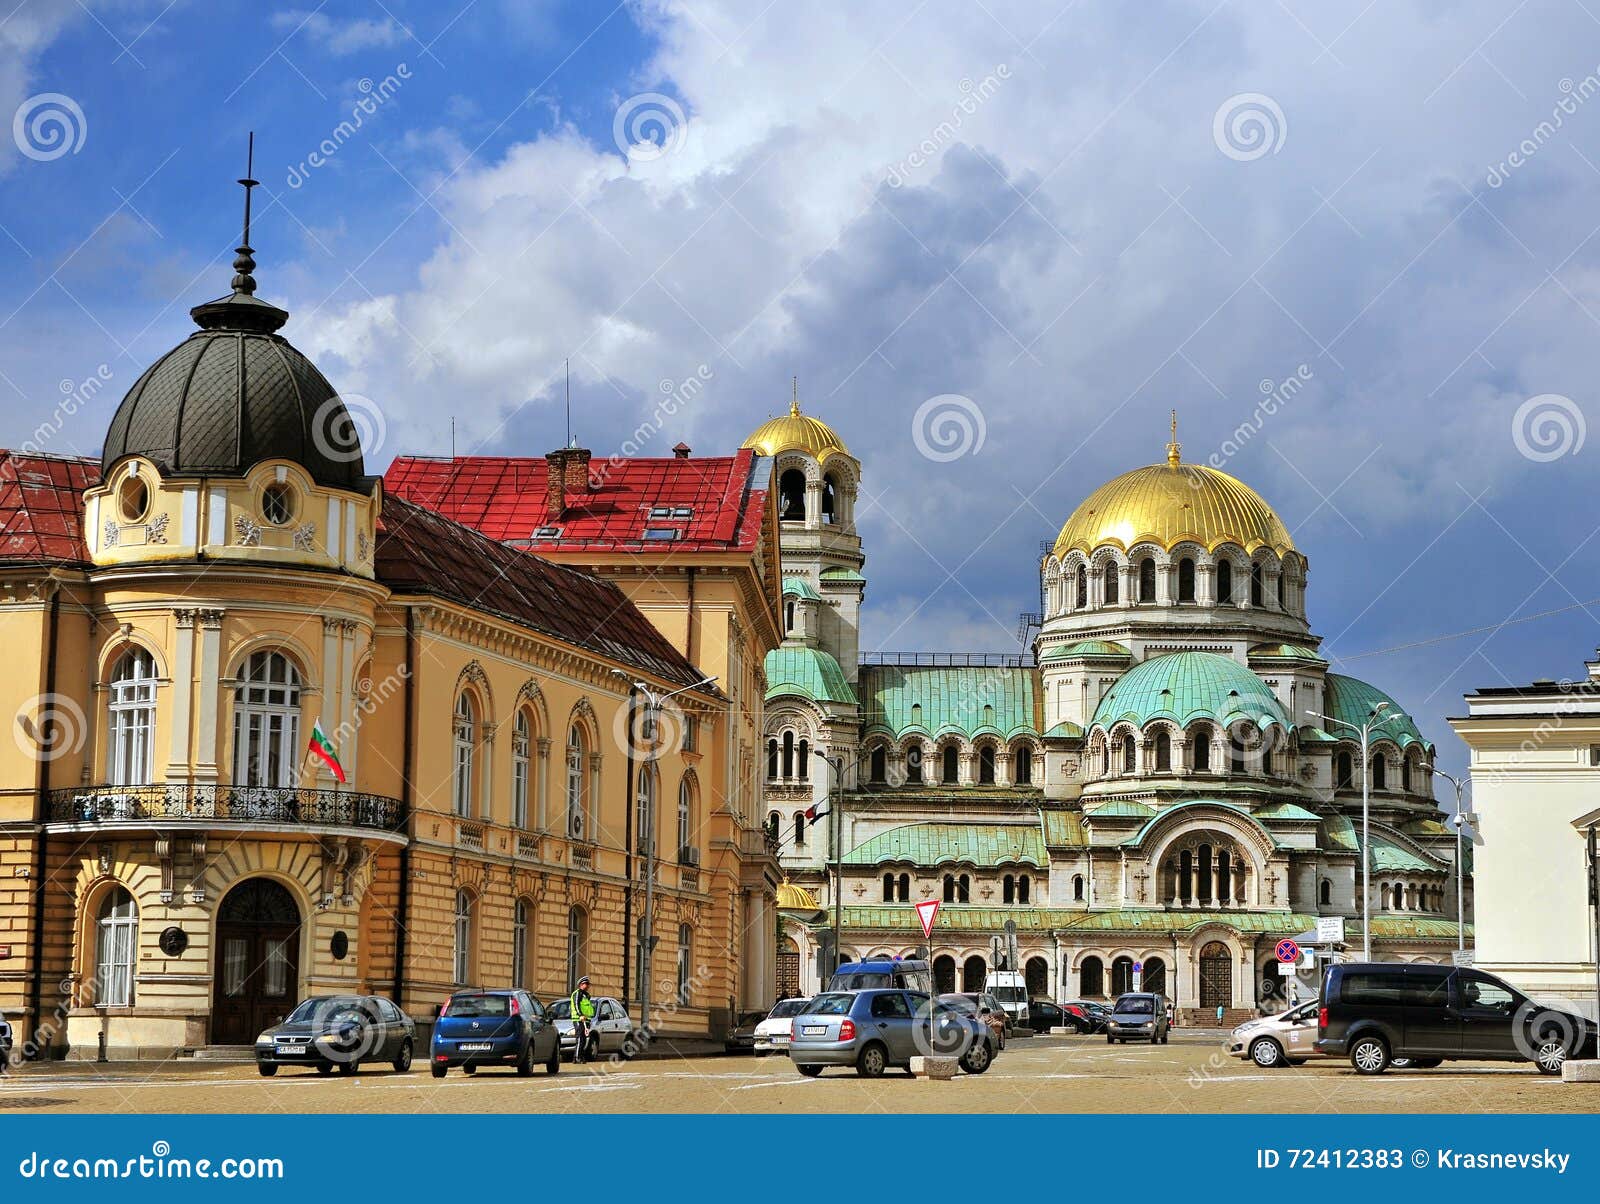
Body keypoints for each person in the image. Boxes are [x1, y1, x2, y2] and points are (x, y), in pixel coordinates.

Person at [570, 976, 598, 1063]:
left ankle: (577, 1057)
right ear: (581, 984)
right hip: (579, 1019)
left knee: (583, 1039)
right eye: (586, 984)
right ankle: (578, 1057)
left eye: (588, 984)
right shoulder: (578, 993)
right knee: (580, 1039)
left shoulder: (585, 995)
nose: (588, 986)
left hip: (586, 1020)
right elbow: (576, 1005)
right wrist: (580, 1015)